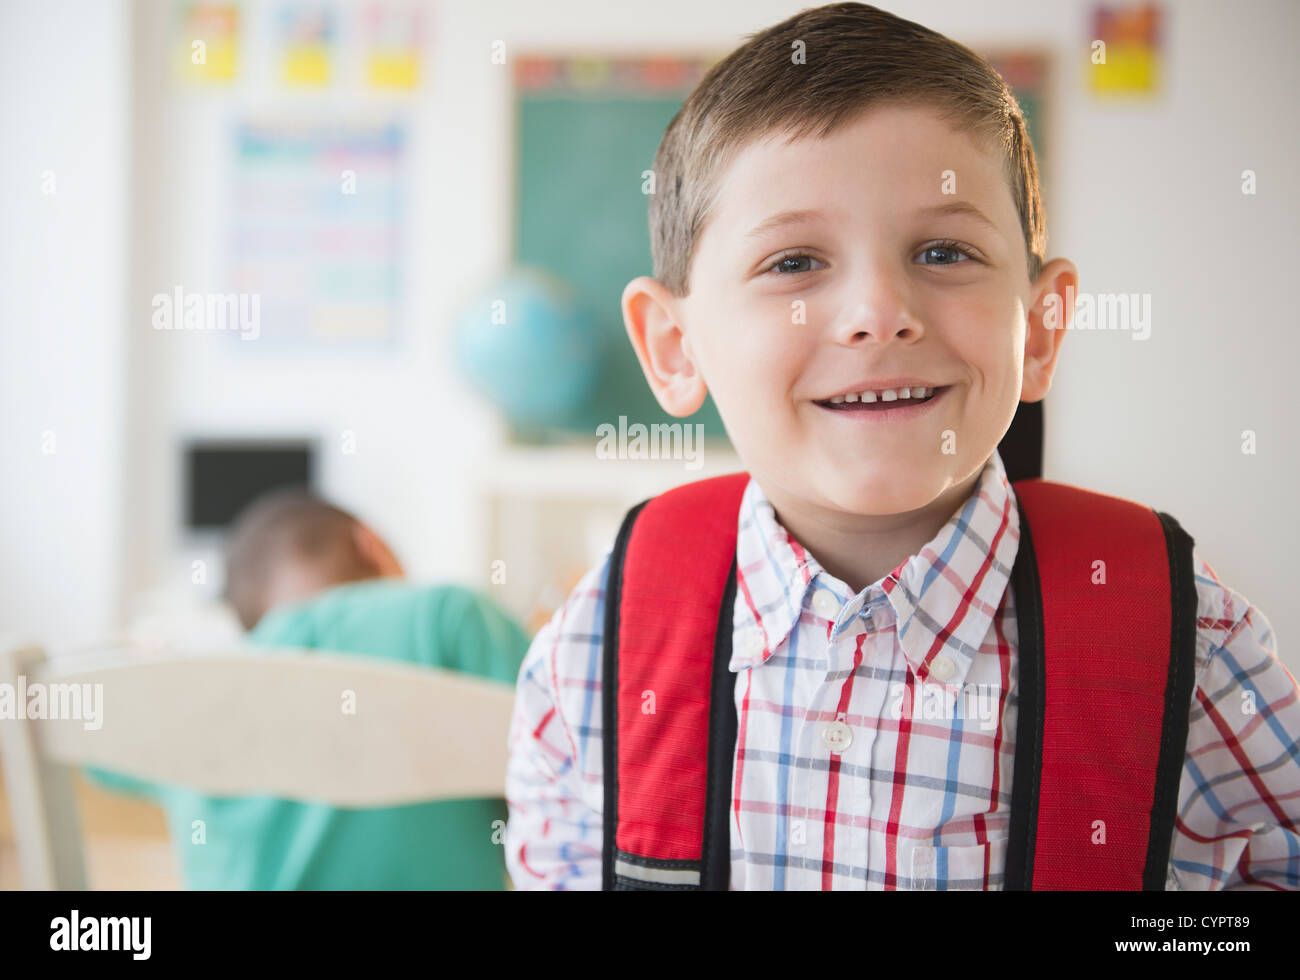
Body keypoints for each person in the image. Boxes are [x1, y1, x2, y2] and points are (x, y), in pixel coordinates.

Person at [503, 2, 1300, 889]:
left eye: (944, 250)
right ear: (673, 346)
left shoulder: (1188, 635)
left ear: (1038, 329)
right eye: (795, 262)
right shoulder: (602, 637)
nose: (881, 312)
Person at [87, 487, 529, 890]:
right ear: (368, 543)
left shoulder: (190, 692)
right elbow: (568, 776)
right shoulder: (447, 618)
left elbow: (96, 743)